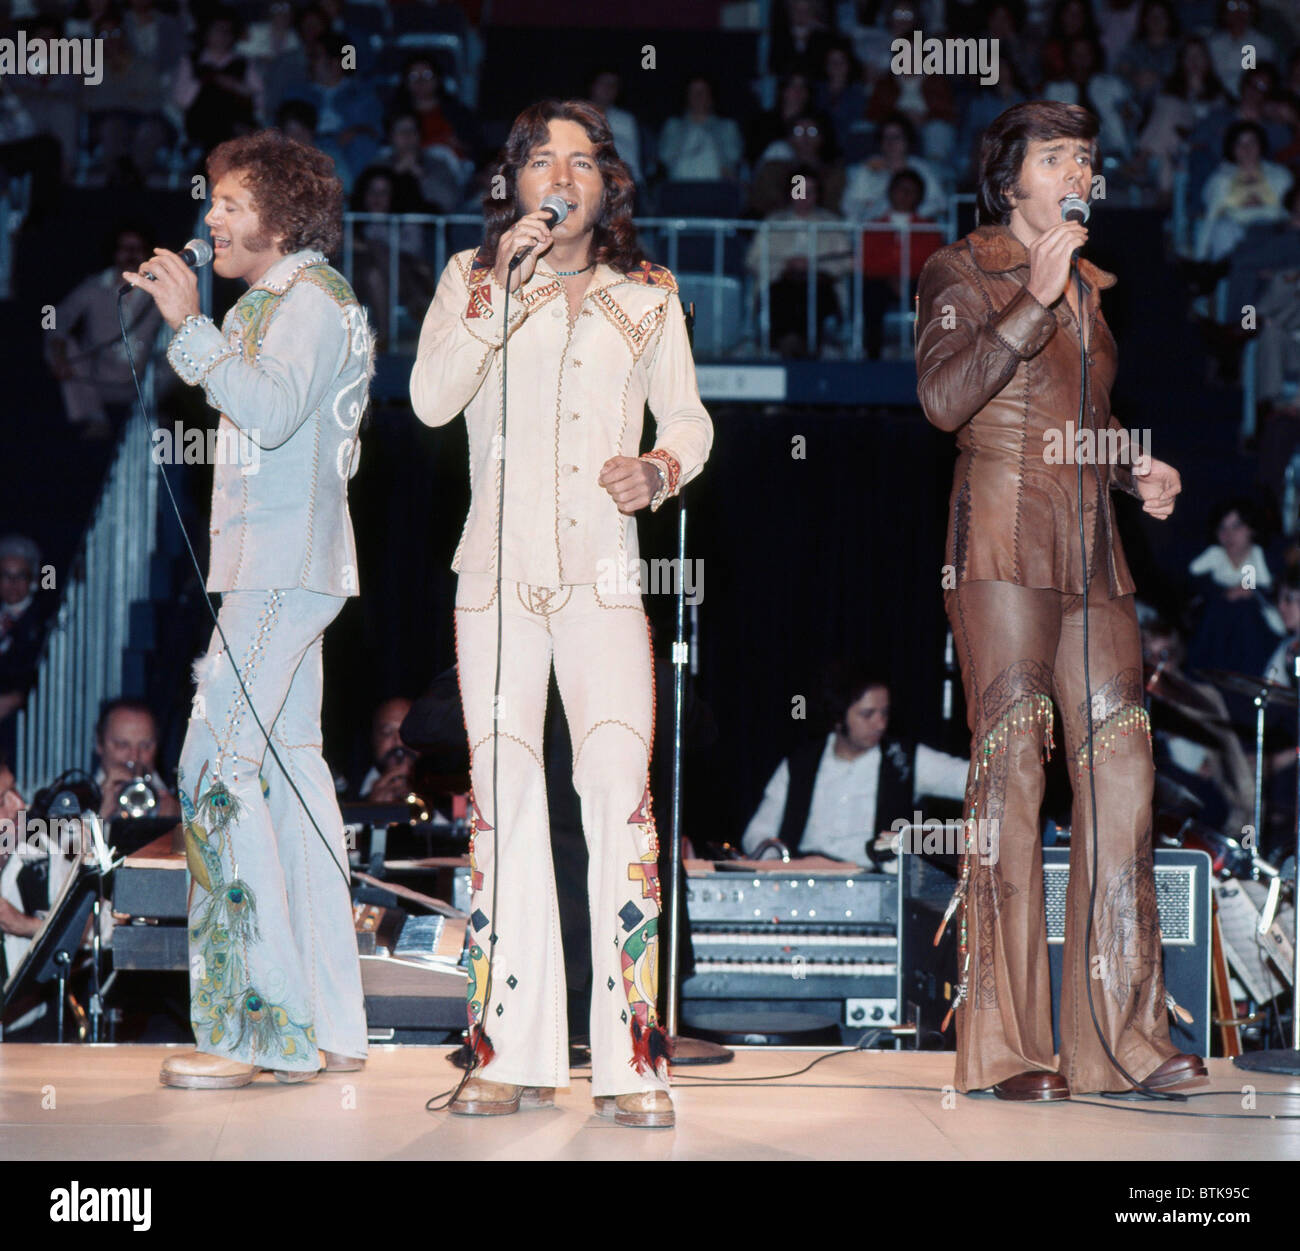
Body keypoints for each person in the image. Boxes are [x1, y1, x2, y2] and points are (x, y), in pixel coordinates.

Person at [410, 98, 713, 1127]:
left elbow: (689, 417)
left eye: (582, 161)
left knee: (616, 792)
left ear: (607, 185)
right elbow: (431, 401)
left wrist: (658, 468)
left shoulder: (648, 297)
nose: (561, 175)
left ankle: (632, 1062)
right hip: (494, 581)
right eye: (541, 159)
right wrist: (501, 281)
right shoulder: (471, 279)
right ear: (515, 181)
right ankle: (511, 1053)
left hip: (604, 580)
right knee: (502, 802)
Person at [914, 100, 1204, 1100]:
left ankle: (1119, 1038)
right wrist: (1029, 301)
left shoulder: (1090, 284)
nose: (1076, 166)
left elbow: (1090, 415)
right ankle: (1005, 1049)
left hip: (1092, 551)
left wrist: (1136, 467)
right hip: (997, 542)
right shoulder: (961, 270)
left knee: (1122, 770)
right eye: (1054, 154)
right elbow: (944, 400)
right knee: (1011, 780)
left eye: (1083, 153)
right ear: (1010, 181)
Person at [122, 129, 372, 1090]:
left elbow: (269, 412)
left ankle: (259, 1032)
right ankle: (332, 1023)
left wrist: (190, 328)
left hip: (280, 571)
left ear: (282, 212)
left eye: (229, 203)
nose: (210, 218)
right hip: (280, 570)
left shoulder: (311, 299)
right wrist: (210, 327)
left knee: (212, 769)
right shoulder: (281, 300)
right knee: (293, 782)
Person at [741, 668, 969, 866]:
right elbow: (758, 832)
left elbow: (967, 779)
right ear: (838, 717)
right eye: (867, 714)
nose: (880, 724)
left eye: (885, 712)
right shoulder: (800, 763)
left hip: (878, 884)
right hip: (804, 880)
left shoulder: (905, 759)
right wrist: (777, 864)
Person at [45, 225, 164, 438]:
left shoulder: (160, 290)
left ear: (147, 252)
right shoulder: (94, 286)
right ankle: (94, 417)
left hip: (143, 381)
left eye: (137, 248)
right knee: (58, 345)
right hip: (95, 379)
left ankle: (151, 415)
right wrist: (57, 349)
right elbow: (56, 317)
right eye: (124, 248)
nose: (130, 254)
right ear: (114, 251)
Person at [92, 697, 181, 823]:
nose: (134, 757)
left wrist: (180, 821)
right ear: (99, 744)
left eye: (145, 746)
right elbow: (60, 842)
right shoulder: (73, 800)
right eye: (122, 745)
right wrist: (98, 816)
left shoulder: (180, 804)